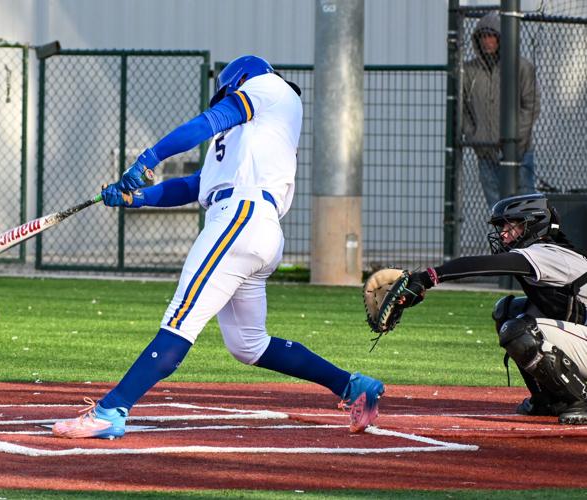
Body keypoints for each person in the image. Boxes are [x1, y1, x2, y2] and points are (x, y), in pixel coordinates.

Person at [52, 55, 385, 439]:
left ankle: (112, 410)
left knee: (180, 321)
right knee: (248, 344)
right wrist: (135, 198)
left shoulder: (268, 87)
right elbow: (194, 187)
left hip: (239, 218)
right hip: (253, 226)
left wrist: (149, 157)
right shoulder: (244, 139)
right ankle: (351, 386)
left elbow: (207, 122)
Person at [395, 193, 587, 425]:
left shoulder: (548, 253)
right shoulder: (546, 253)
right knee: (508, 310)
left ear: (535, 224)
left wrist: (427, 277)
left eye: (511, 225)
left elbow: (485, 265)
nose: (504, 233)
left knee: (519, 331)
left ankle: (581, 400)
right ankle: (550, 398)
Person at [463, 10, 541, 209]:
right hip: (486, 153)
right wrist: (474, 137)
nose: (486, 41)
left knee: (525, 207)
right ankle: (506, 241)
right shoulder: (469, 71)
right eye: (482, 36)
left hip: (518, 153)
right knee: (498, 209)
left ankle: (529, 241)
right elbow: (462, 109)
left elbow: (531, 106)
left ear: (500, 39)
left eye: (491, 36)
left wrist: (515, 140)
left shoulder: (521, 67)